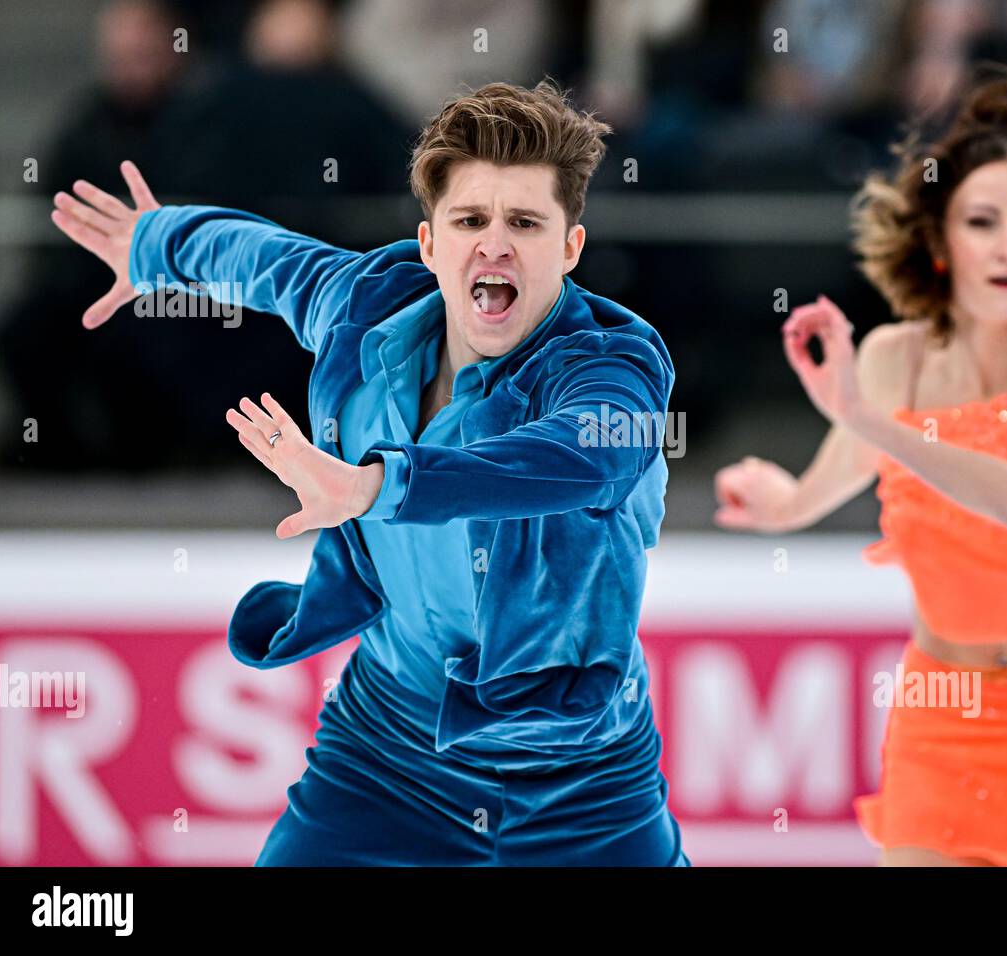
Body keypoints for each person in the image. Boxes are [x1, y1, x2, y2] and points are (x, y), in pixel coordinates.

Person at [49, 80, 688, 866]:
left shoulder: (610, 368)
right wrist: (155, 246)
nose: (495, 244)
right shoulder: (368, 313)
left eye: (525, 222)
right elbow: (264, 263)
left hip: (577, 781)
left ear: (569, 248)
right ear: (428, 246)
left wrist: (379, 486)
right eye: (469, 221)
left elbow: (587, 457)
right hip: (386, 748)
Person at [714, 68, 1007, 866]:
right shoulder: (895, 365)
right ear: (938, 240)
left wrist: (867, 419)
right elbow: (828, 482)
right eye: (983, 221)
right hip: (944, 721)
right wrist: (777, 502)